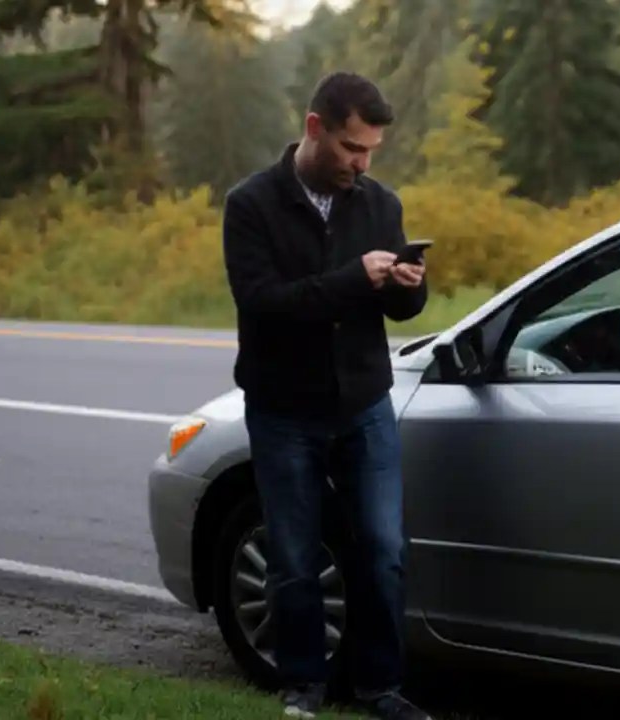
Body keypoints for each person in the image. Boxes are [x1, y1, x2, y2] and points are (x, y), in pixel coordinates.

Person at [221, 71, 431, 720]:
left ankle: (381, 687)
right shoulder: (251, 204)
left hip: (364, 404)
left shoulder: (380, 204)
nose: (361, 163)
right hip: (284, 409)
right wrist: (352, 280)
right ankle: (303, 686)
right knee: (293, 557)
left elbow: (400, 310)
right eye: (351, 147)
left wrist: (409, 284)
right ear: (315, 128)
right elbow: (263, 303)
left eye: (370, 151)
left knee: (384, 550)